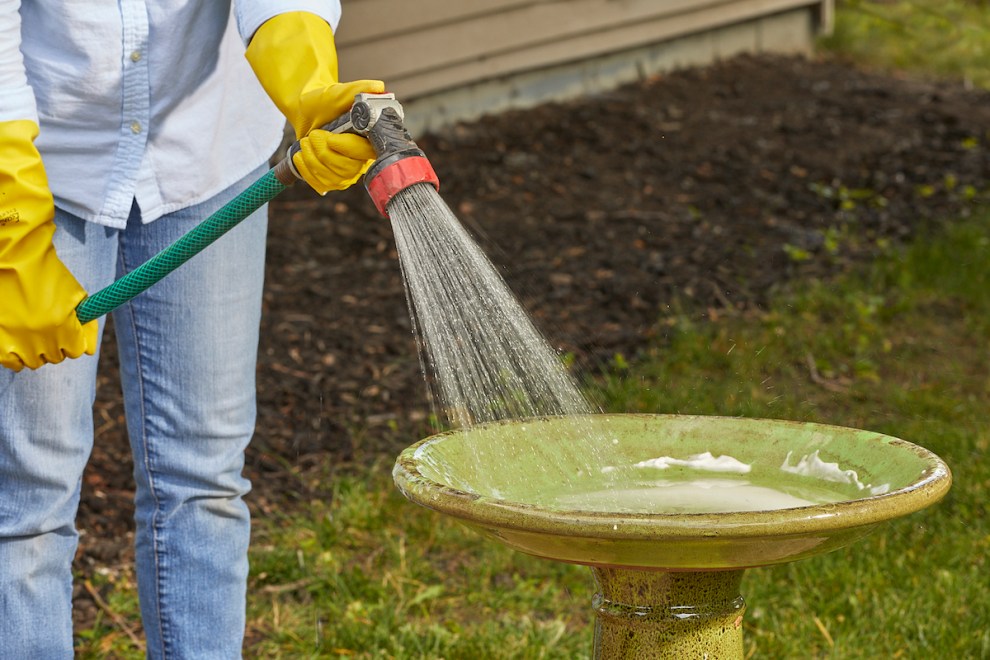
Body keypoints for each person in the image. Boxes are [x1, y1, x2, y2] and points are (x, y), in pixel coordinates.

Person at [0, 3, 383, 656]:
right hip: (43, 162)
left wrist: (310, 86)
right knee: (27, 503)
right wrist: (13, 228)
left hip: (204, 156)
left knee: (205, 482)